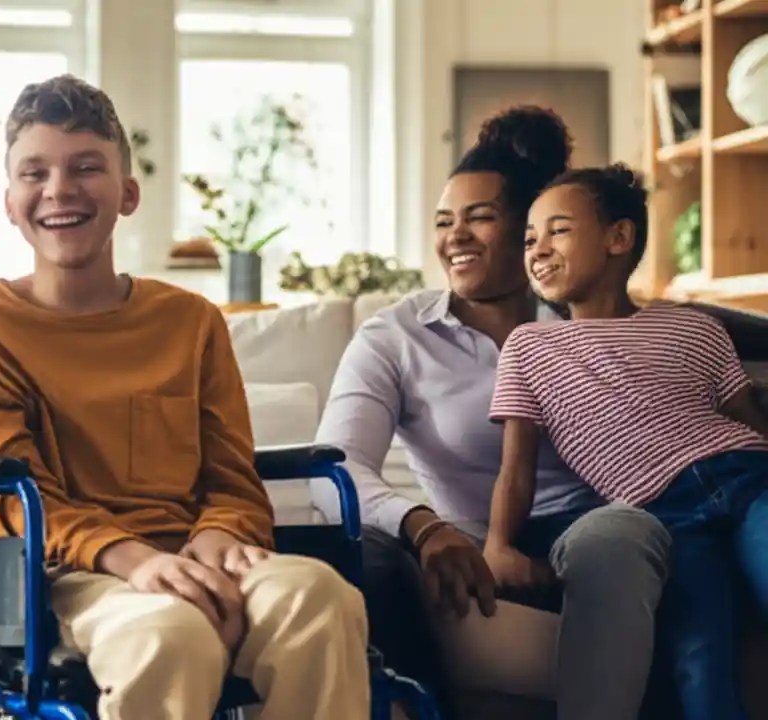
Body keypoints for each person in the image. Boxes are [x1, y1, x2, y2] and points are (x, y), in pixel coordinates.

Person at [0, 74, 369, 720]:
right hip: (60, 577)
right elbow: (17, 495)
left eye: (85, 168)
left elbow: (233, 475)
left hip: (198, 555)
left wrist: (218, 537)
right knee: (170, 634)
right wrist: (137, 562)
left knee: (323, 599)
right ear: (10, 201)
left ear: (127, 193)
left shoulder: (191, 322)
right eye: (34, 173)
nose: (59, 190)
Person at [314, 107, 671, 720]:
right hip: (468, 547)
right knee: (364, 554)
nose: (456, 236)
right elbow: (335, 472)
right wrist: (424, 527)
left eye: (481, 218)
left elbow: (688, 348)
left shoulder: (587, 316)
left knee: (618, 539)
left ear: (531, 229)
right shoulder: (398, 337)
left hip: (597, 534)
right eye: (445, 221)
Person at [487, 164, 768, 720]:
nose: (538, 248)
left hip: (749, 478)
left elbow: (750, 422)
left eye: (558, 230)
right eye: (529, 238)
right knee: (700, 658)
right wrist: (499, 545)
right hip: (664, 516)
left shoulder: (694, 328)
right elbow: (516, 471)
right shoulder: (528, 347)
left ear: (619, 237)